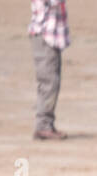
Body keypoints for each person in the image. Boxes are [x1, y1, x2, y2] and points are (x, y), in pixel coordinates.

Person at [28, 0, 70, 140]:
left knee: (52, 82)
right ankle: (43, 126)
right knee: (49, 82)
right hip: (45, 36)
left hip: (51, 37)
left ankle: (46, 124)